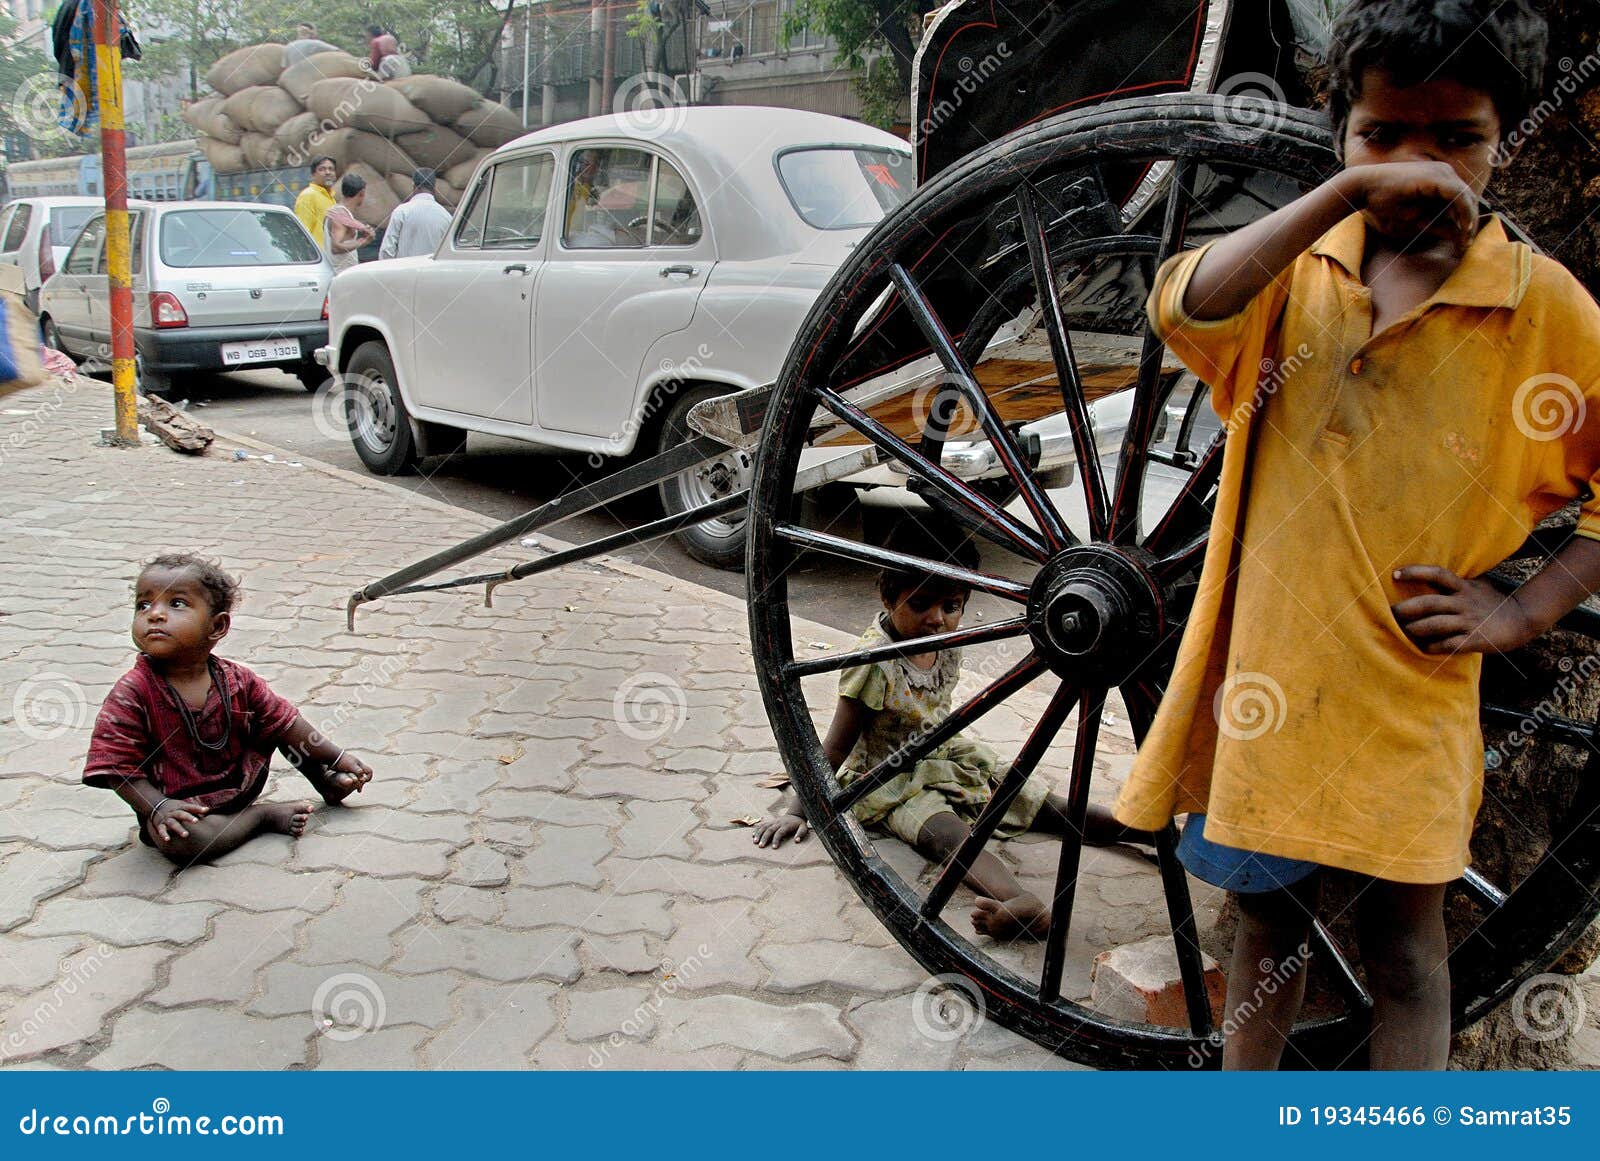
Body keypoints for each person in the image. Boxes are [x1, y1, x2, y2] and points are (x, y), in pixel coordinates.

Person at [1111, 0, 1600, 1070]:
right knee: (1266, 935)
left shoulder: (1547, 310)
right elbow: (1180, 309)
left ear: (1501, 140)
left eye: (1455, 140)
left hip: (1407, 699)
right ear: (1337, 131)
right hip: (1268, 694)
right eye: (1382, 136)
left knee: (1407, 958)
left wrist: (1524, 608)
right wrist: (1336, 198)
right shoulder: (1299, 276)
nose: (1415, 170)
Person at [755, 522, 1146, 940]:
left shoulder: (946, 638)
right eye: (920, 603)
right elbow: (832, 750)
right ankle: (1019, 901)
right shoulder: (873, 663)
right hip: (888, 777)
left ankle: (1143, 830)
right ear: (887, 597)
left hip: (945, 752)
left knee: (1027, 794)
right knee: (948, 833)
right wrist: (797, 811)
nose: (937, 620)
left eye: (952, 606)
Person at [82, 554, 375, 866]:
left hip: (241, 782)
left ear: (217, 626)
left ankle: (323, 780)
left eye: (176, 603)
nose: (154, 614)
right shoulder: (132, 692)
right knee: (184, 843)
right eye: (144, 605)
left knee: (276, 723)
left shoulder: (237, 680)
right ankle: (260, 817)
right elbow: (117, 768)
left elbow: (288, 725)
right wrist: (157, 807)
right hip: (180, 809)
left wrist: (337, 757)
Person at [379, 168, 452, 259]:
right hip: (432, 272)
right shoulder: (446, 216)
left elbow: (387, 249)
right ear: (434, 188)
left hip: (405, 271)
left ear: (413, 185)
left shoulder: (402, 211)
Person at [324, 171, 376, 275]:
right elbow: (336, 248)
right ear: (361, 193)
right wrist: (362, 241)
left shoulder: (338, 212)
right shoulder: (339, 213)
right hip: (341, 275)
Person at [294, 155, 338, 247]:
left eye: (331, 169)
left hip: (330, 257)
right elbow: (302, 234)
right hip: (318, 258)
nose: (328, 172)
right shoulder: (308, 196)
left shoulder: (331, 197)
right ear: (313, 175)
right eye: (322, 169)